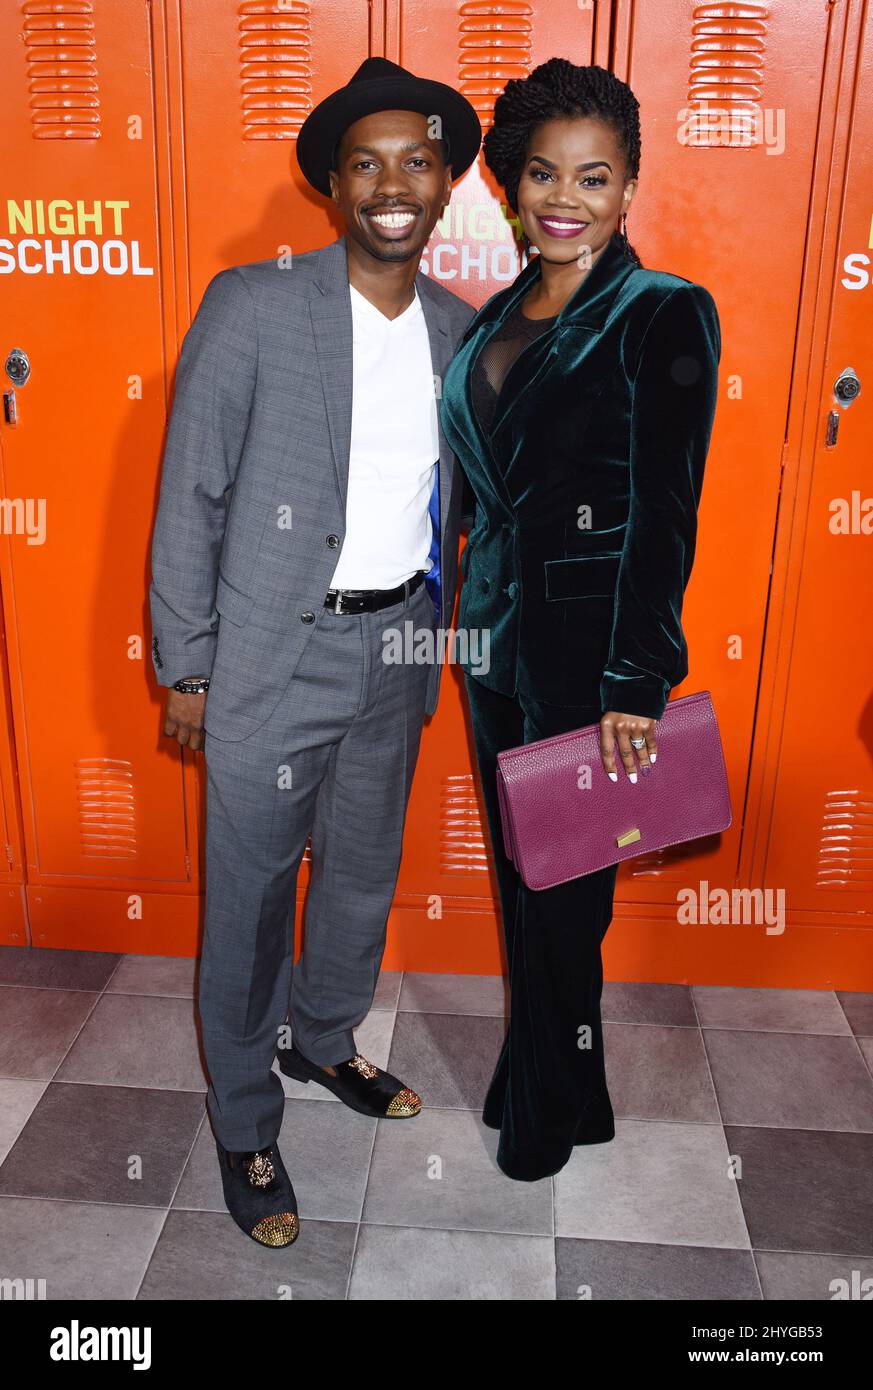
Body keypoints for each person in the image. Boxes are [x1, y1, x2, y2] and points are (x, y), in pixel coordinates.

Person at [148, 58, 481, 1245]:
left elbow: (468, 507)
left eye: (418, 161)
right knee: (245, 902)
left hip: (396, 649)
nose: (394, 183)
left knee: (357, 873)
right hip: (264, 662)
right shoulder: (255, 303)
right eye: (368, 162)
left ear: (445, 185)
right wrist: (187, 666)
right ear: (333, 184)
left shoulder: (458, 326)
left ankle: (325, 1042)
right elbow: (190, 491)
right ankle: (244, 1118)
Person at [440, 59, 721, 1181]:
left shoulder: (662, 314)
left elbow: (667, 513)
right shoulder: (504, 308)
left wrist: (634, 684)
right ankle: (571, 1085)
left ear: (629, 186)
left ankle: (543, 1118)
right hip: (495, 645)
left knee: (563, 901)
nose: (567, 197)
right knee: (528, 879)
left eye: (594, 177)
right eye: (544, 174)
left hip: (590, 664)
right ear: (511, 186)